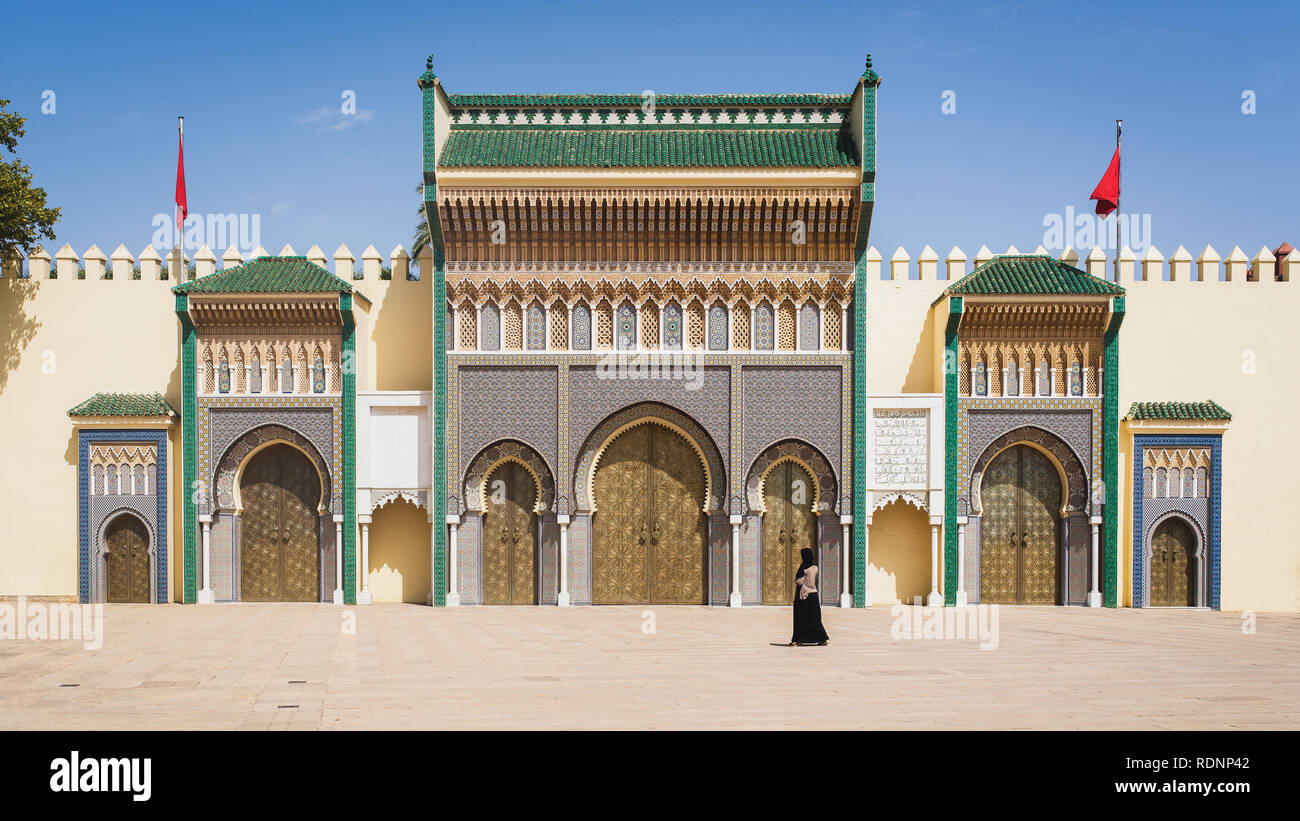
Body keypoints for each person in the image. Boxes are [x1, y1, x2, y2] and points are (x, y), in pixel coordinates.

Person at [789, 547, 829, 646]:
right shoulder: (815, 568)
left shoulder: (804, 568)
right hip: (814, 596)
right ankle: (823, 638)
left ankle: (797, 639)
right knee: (815, 618)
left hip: (804, 596)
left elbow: (799, 581)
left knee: (801, 618)